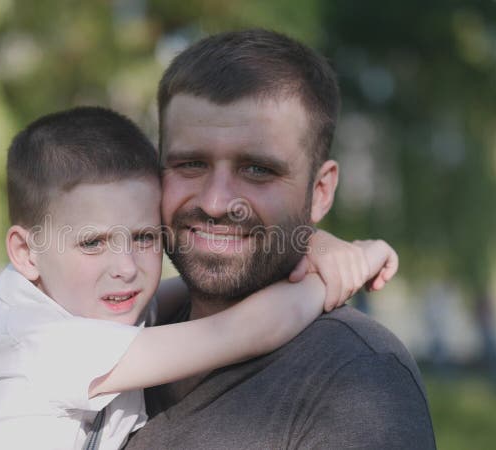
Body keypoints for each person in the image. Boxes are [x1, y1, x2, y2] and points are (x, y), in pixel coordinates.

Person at [0, 107, 398, 450]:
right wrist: (330, 279)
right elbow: (246, 329)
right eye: (92, 243)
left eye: (145, 237)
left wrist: (311, 245)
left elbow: (190, 293)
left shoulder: (55, 301)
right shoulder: (44, 344)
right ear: (25, 253)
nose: (126, 267)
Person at [124, 29, 437, 449]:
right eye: (191, 164)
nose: (215, 203)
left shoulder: (355, 377)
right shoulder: (111, 328)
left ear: (320, 192)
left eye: (257, 170)